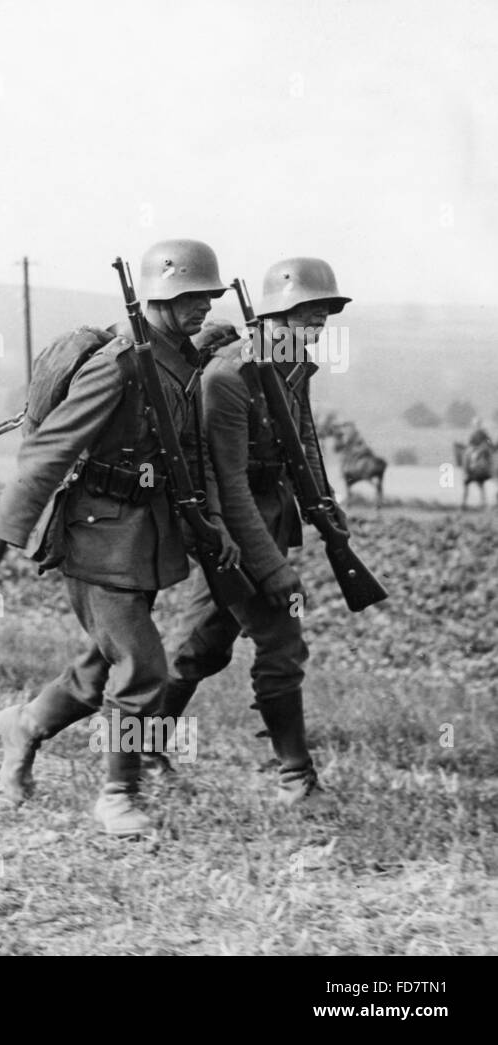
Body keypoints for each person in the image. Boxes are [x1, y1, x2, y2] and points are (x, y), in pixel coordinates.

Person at [0, 239, 239, 837]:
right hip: (97, 537)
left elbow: (193, 455)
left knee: (96, 673)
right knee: (143, 667)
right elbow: (48, 451)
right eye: (191, 297)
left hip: (147, 538)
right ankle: (118, 795)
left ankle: (24, 727)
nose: (202, 309)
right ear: (161, 296)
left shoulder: (183, 364)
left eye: (207, 298)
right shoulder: (119, 363)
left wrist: (211, 523)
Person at [154, 257, 352, 806]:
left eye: (324, 315)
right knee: (283, 642)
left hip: (269, 513)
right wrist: (273, 569)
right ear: (277, 311)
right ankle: (296, 777)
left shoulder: (292, 363)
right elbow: (227, 480)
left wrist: (324, 503)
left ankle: (144, 749)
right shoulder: (230, 375)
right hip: (230, 526)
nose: (318, 326)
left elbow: (303, 436)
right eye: (309, 313)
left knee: (204, 646)